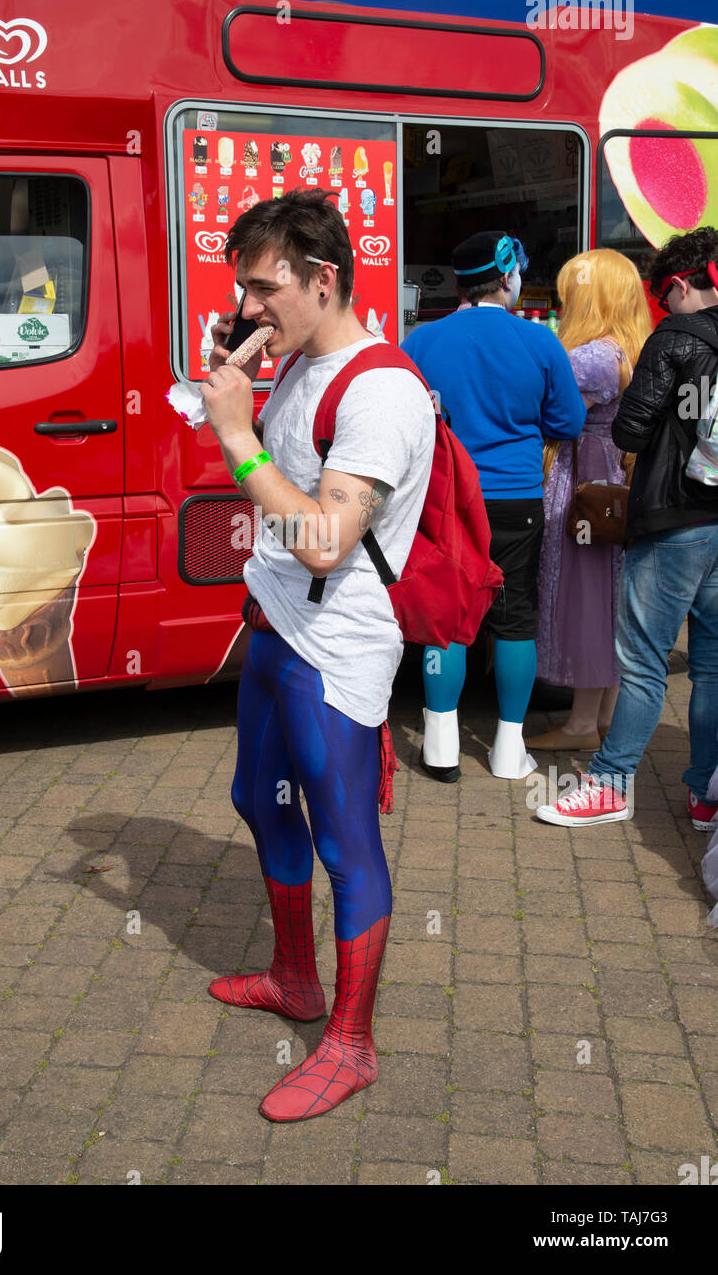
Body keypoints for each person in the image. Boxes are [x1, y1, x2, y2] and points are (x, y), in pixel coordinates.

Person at [199, 188, 435, 1121]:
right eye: (244, 289)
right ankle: (295, 980)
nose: (249, 309)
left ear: (323, 278)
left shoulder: (380, 389)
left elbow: (327, 541)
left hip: (335, 647)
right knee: (257, 800)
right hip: (275, 626)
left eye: (264, 289)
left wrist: (234, 436)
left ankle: (352, 1042)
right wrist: (242, 402)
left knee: (345, 842)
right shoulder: (300, 362)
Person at [536, 226, 718, 830]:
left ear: (684, 285)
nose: (661, 304)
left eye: (666, 291)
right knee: (709, 664)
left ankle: (609, 781)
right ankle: (702, 793)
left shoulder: (669, 338)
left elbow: (630, 431)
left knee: (639, 654)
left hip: (669, 512)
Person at [403, 230, 585, 780]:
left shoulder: (420, 341)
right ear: (508, 276)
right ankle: (509, 750)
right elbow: (568, 422)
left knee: (447, 616)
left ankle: (439, 745)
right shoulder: (539, 341)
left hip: (447, 500)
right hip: (518, 500)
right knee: (515, 619)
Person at [526, 249, 652, 752]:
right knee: (606, 597)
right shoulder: (629, 346)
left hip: (583, 482)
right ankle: (600, 717)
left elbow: (561, 419)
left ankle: (581, 724)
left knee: (584, 594)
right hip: (610, 480)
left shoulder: (594, 355)